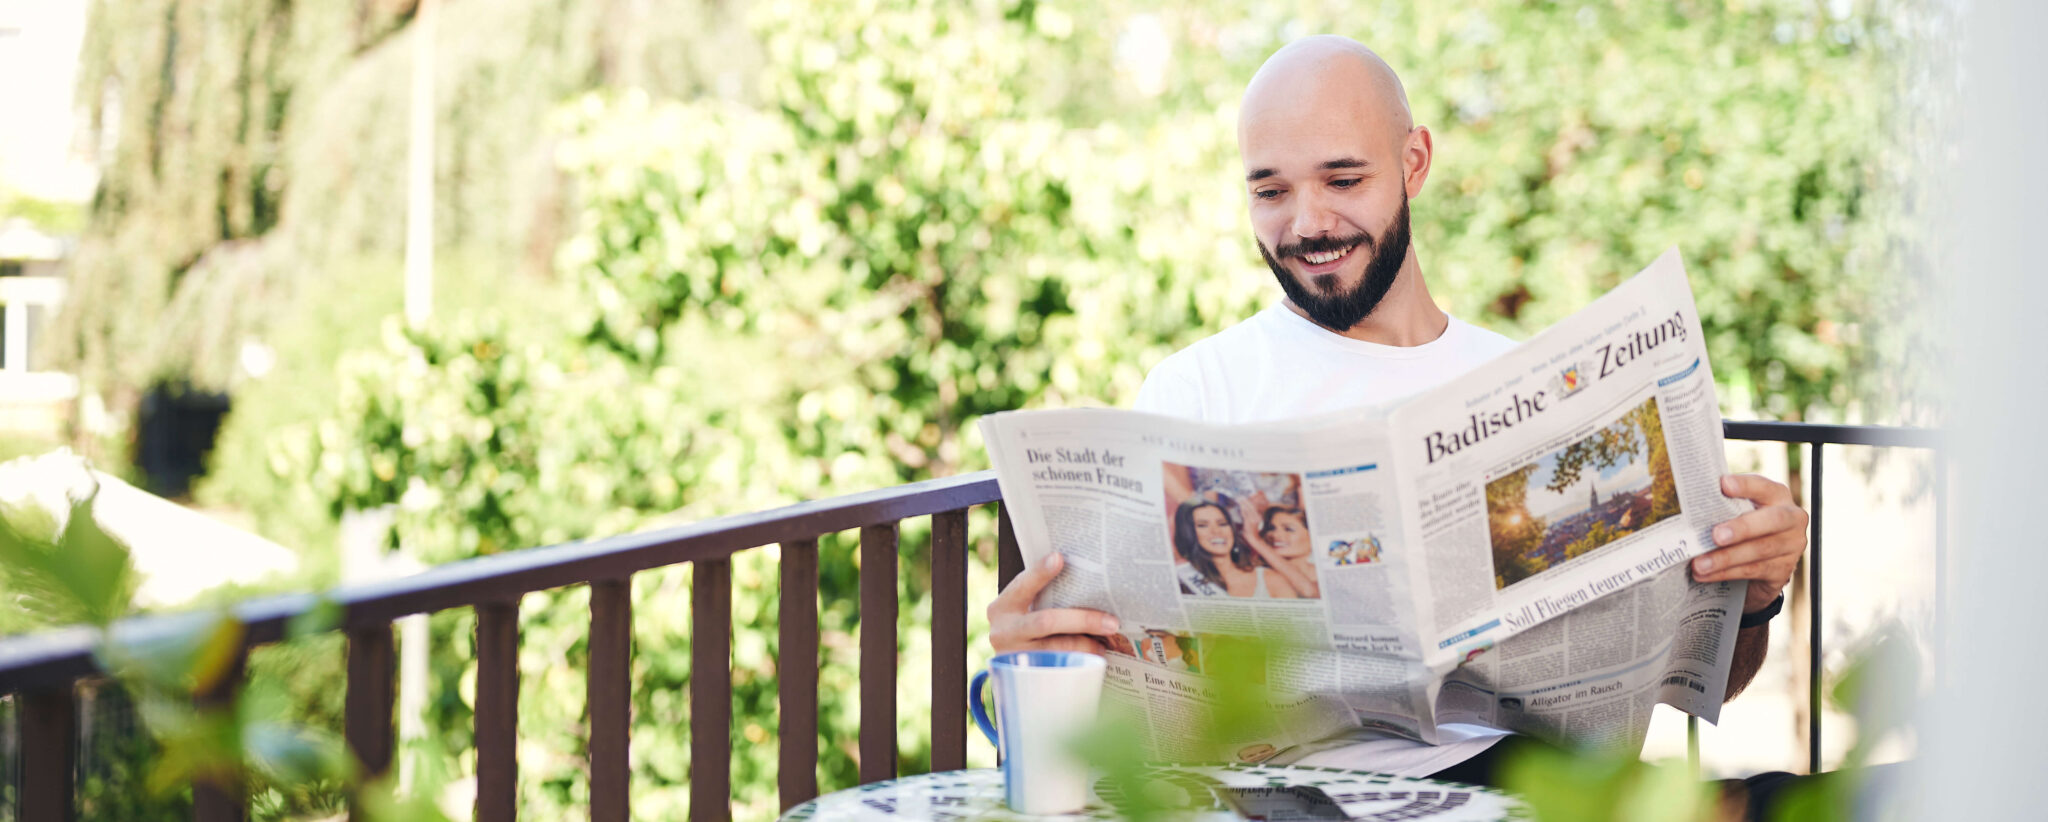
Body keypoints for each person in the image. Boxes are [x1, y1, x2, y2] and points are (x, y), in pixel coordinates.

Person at [986, 34, 1812, 812]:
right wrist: (1043, 659)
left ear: (1413, 164)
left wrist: (1756, 595)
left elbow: (1701, 682)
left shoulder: (1524, 388)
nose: (1306, 223)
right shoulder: (1200, 392)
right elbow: (1136, 710)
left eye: (1343, 180)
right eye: (1270, 190)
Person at [1171, 497, 1302, 599]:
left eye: (1222, 524)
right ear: (1187, 532)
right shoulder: (1184, 579)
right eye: (1202, 525)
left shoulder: (1270, 579)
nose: (1216, 531)